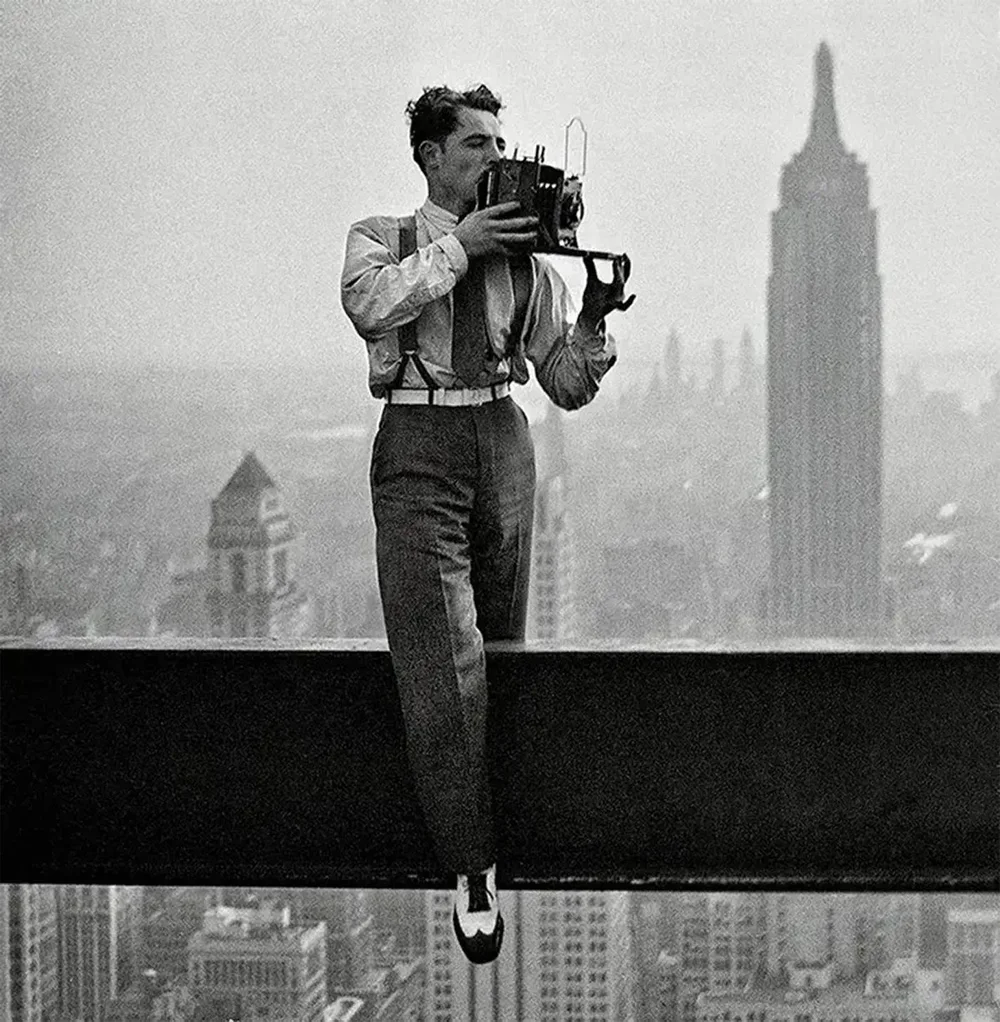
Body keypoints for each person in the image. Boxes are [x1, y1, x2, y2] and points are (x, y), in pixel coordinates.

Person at [340, 83, 634, 965]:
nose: (495, 159)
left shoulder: (527, 263)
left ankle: (499, 820)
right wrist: (460, 248)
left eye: (500, 142)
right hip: (419, 438)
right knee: (445, 658)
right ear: (432, 157)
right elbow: (369, 305)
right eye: (475, 146)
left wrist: (590, 315)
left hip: (503, 438)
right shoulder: (383, 238)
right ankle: (473, 865)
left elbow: (568, 386)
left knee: (501, 650)